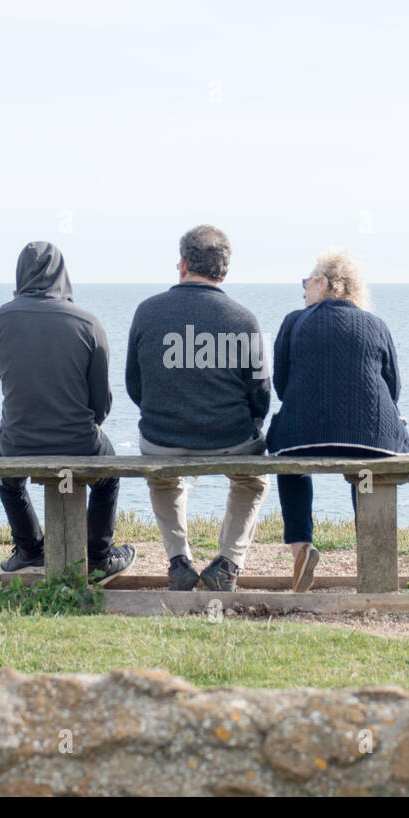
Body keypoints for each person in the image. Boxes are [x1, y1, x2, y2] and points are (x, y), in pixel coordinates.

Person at [126, 225, 271, 591]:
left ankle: (178, 560)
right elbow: (261, 395)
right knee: (253, 479)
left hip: (162, 438)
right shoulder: (244, 319)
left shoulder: (147, 313)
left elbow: (134, 385)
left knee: (162, 477)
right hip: (230, 438)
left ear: (182, 265)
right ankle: (228, 563)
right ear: (224, 271)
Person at [0, 241, 135, 576]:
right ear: (64, 276)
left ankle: (30, 548)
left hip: (17, 443)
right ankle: (98, 557)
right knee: (109, 478)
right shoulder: (89, 324)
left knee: (8, 477)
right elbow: (100, 407)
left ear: (19, 276)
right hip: (80, 441)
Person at [266, 250, 409, 591]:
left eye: (306, 282)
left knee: (290, 462)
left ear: (323, 282)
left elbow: (282, 386)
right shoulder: (376, 324)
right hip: (371, 440)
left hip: (302, 438)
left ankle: (301, 546)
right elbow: (393, 389)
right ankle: (370, 549)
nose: (303, 291)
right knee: (365, 471)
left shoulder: (294, 321)